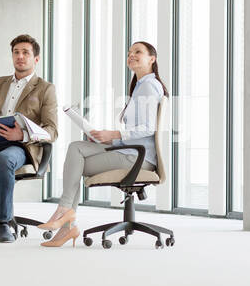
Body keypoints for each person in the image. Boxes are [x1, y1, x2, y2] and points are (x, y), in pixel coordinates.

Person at [39, 41, 166, 248]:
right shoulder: (141, 86)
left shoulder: (149, 86)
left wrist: (114, 134)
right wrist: (105, 137)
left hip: (138, 157)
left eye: (138, 52)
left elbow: (148, 128)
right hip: (130, 150)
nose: (131, 55)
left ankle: (65, 219)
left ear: (152, 59)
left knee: (75, 163)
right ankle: (65, 218)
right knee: (76, 148)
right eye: (129, 52)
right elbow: (137, 130)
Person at [0, 34, 59, 242]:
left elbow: (52, 130)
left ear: (36, 59)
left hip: (20, 148)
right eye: (16, 52)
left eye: (26, 53)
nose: (20, 57)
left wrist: (22, 134)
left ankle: (3, 223)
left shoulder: (45, 89)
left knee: (5, 159)